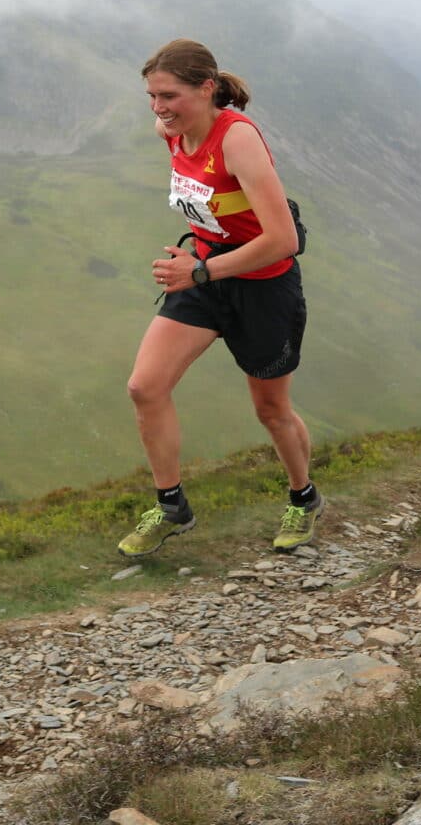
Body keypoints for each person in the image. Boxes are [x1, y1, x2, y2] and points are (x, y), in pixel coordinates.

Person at [117, 38, 320, 558]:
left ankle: (303, 497)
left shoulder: (238, 140)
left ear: (207, 89)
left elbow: (284, 240)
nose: (159, 108)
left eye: (170, 95)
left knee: (271, 410)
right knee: (145, 387)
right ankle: (170, 506)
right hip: (203, 275)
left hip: (262, 286)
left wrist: (202, 271)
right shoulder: (171, 130)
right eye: (152, 96)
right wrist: (201, 270)